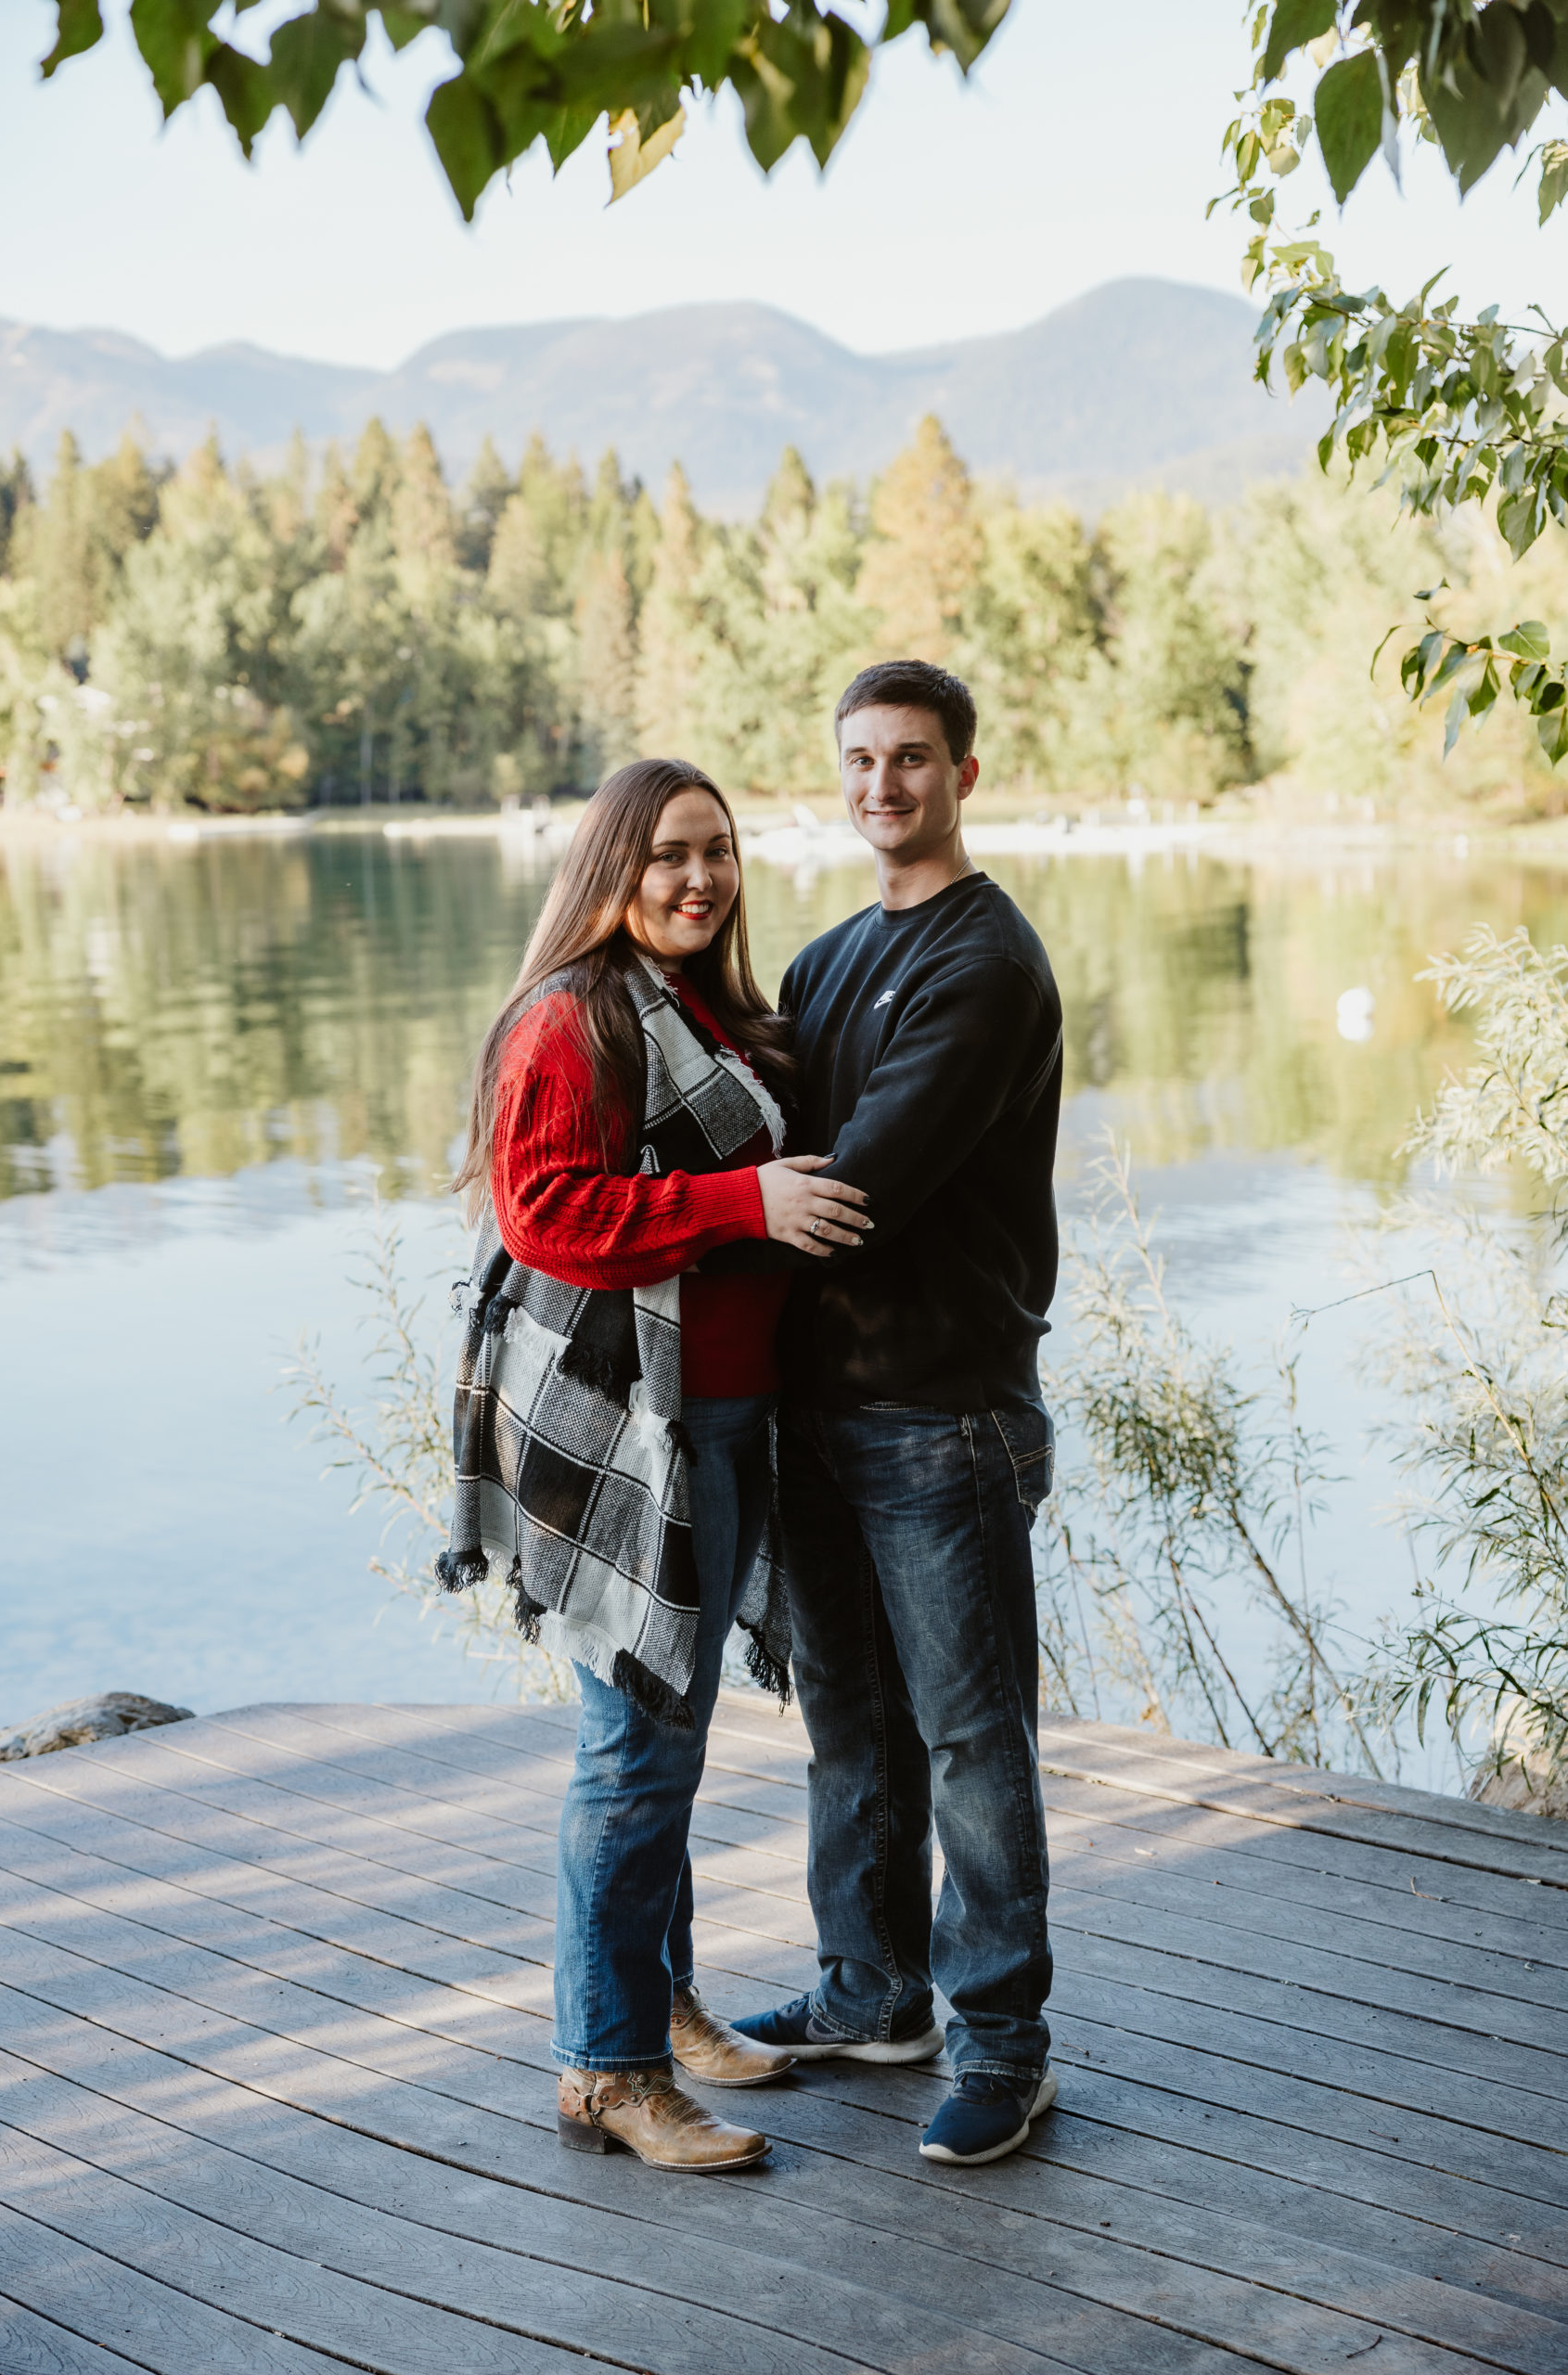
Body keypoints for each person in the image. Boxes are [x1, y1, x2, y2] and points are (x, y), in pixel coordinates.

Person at [440, 757, 870, 2174]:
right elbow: (550, 1211)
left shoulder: (697, 1005)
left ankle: (662, 1999)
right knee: (632, 1750)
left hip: (719, 1420)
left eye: (718, 853)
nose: (698, 879)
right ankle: (605, 2069)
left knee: (664, 1739)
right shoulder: (569, 1018)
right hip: (626, 1438)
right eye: (669, 855)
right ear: (611, 867)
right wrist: (746, 1197)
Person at [729, 660, 1065, 2167]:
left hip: (941, 1416)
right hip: (822, 1414)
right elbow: (761, 1128)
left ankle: (1001, 2044)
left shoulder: (984, 966)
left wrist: (705, 1214)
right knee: (852, 1729)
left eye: (912, 761)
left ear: (965, 777)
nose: (883, 786)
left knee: (974, 1743)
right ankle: (872, 1992)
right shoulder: (822, 961)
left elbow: (852, 1189)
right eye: (860, 761)